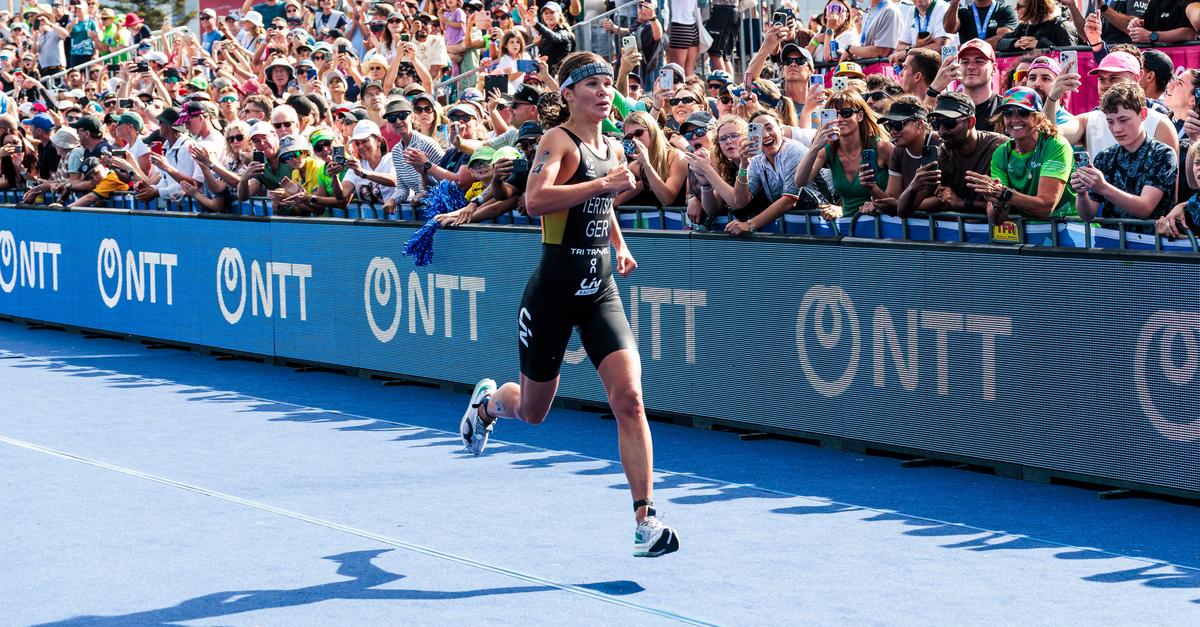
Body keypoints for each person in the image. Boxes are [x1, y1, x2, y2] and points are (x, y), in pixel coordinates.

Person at [458, 51, 679, 558]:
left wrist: (618, 242)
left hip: (599, 288)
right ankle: (489, 405)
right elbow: (536, 200)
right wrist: (603, 184)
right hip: (554, 292)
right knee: (533, 413)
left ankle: (645, 520)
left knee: (630, 400)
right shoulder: (559, 140)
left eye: (609, 83)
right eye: (593, 85)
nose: (604, 91)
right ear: (569, 95)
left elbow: (597, 205)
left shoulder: (612, 146)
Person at [1072, 83, 1176, 230]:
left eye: (1123, 120)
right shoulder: (1105, 157)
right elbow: (1087, 215)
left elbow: (1145, 208)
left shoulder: (1163, 154)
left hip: (1152, 246)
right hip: (1112, 243)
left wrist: (1103, 187)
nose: (1116, 129)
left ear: (1143, 114)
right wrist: (1082, 194)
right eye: (1110, 121)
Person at [966, 87, 1075, 224]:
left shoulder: (1055, 145)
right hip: (1028, 232)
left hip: (1069, 228)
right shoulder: (1001, 153)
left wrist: (1005, 194)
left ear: (1038, 118)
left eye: (1023, 113)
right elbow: (996, 220)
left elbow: (1045, 208)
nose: (1015, 119)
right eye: (1008, 113)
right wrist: (999, 202)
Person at [898, 92, 1008, 216]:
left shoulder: (1000, 147)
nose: (942, 130)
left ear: (971, 122)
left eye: (949, 123)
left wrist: (963, 203)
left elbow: (1010, 205)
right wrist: (913, 186)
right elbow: (903, 212)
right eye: (937, 124)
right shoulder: (942, 156)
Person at [794, 90, 893, 219]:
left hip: (885, 226)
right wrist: (815, 147)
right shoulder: (828, 151)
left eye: (846, 113)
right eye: (833, 115)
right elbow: (800, 181)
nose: (839, 119)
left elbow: (902, 192)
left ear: (860, 116)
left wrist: (880, 204)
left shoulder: (882, 147)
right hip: (849, 230)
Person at [995, 0, 1079, 52]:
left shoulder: (1062, 26)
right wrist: (1015, 43)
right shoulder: (1023, 27)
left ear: (1034, 7)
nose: (1015, 9)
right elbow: (1000, 43)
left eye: (1019, 6)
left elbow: (1071, 56)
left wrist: (1039, 44)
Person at [943, 0, 1018, 46]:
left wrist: (968, 47)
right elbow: (949, 29)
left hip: (994, 62)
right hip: (968, 63)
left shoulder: (1004, 10)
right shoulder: (963, 12)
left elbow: (1002, 38)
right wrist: (955, 2)